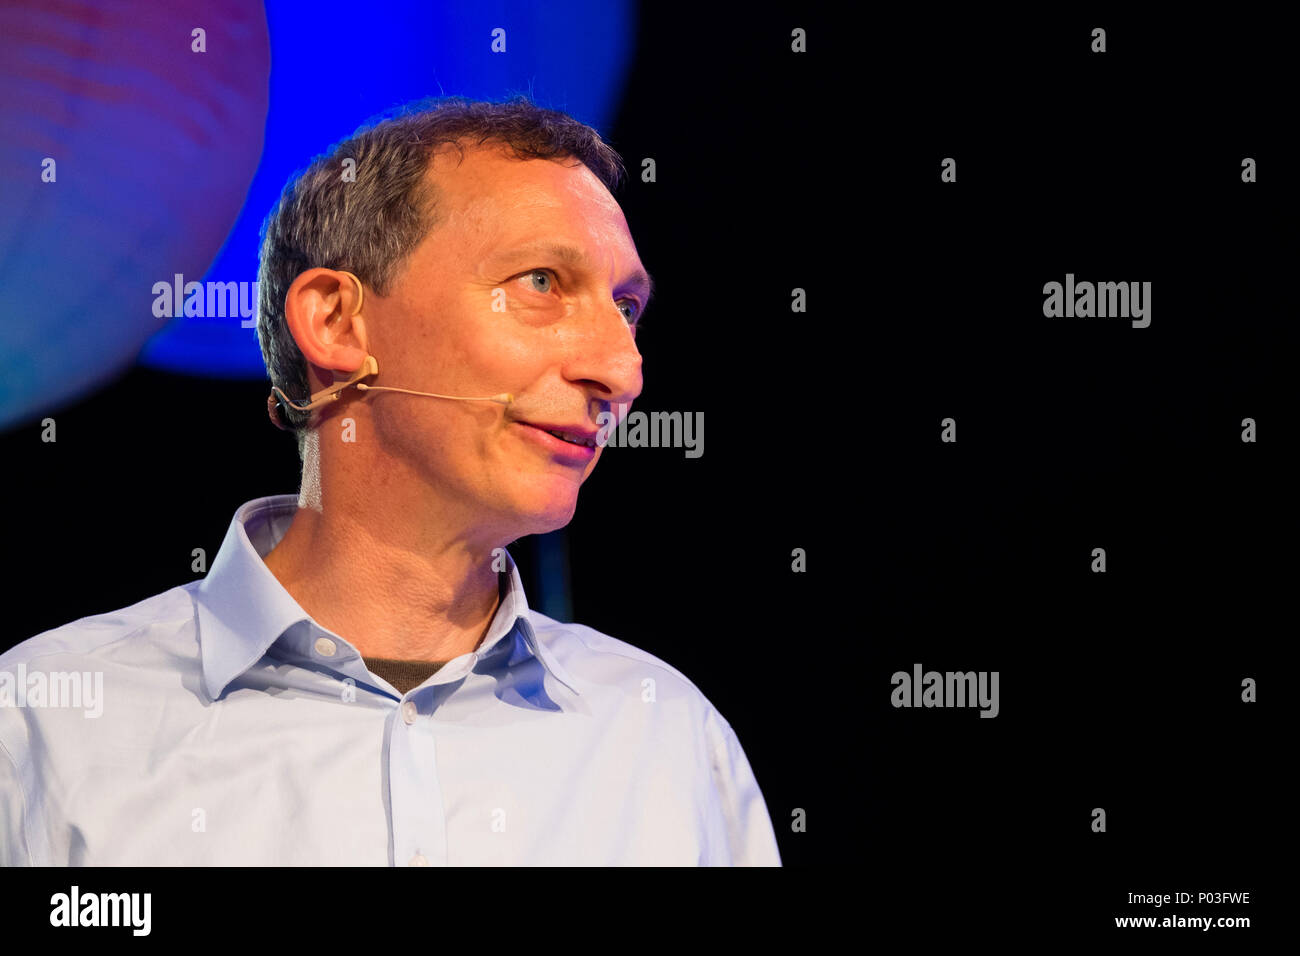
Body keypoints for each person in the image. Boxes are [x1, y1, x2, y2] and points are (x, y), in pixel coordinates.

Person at [0, 95, 781, 865]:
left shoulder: (671, 741)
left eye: (627, 307)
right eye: (541, 283)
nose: (623, 370)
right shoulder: (44, 723)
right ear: (338, 322)